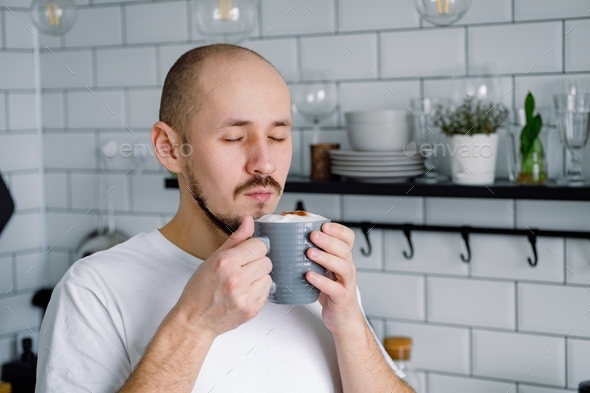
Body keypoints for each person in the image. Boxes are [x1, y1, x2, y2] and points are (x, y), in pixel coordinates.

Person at [36, 44, 413, 393]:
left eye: (279, 137)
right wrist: (193, 325)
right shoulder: (92, 290)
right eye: (234, 138)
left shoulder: (320, 282)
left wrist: (349, 324)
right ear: (169, 149)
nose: (265, 163)